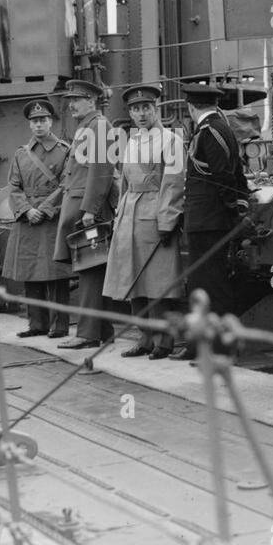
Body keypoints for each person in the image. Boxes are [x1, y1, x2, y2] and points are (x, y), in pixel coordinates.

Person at [103, 84, 186, 358]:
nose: (141, 114)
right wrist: (119, 216)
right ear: (130, 112)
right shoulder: (132, 141)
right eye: (135, 109)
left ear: (155, 109)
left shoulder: (171, 140)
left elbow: (173, 182)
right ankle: (145, 338)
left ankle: (164, 341)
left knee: (158, 284)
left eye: (146, 108)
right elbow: (125, 183)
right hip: (129, 218)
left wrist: (167, 221)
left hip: (154, 216)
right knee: (134, 282)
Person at [176, 82, 251, 360]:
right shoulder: (220, 129)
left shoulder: (210, 132)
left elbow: (224, 178)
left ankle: (217, 348)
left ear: (190, 107)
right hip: (209, 219)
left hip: (208, 220)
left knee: (209, 285)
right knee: (207, 284)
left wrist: (232, 210)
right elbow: (235, 175)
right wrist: (237, 207)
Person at [52, 79, 117, 349]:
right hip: (81, 208)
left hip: (88, 211)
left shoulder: (98, 126)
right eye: (70, 100)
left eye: (76, 100)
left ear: (91, 100)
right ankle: (103, 331)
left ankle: (88, 335)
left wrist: (90, 210)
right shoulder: (87, 127)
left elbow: (101, 170)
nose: (71, 105)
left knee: (89, 269)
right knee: (93, 269)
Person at [3, 99, 72, 339]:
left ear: (51, 122)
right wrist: (26, 210)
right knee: (30, 272)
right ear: (30, 125)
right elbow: (13, 186)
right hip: (28, 219)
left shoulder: (64, 151)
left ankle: (60, 326)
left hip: (51, 218)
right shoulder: (21, 154)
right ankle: (37, 324)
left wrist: (43, 208)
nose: (38, 125)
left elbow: (66, 184)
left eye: (42, 120)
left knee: (56, 274)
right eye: (34, 121)